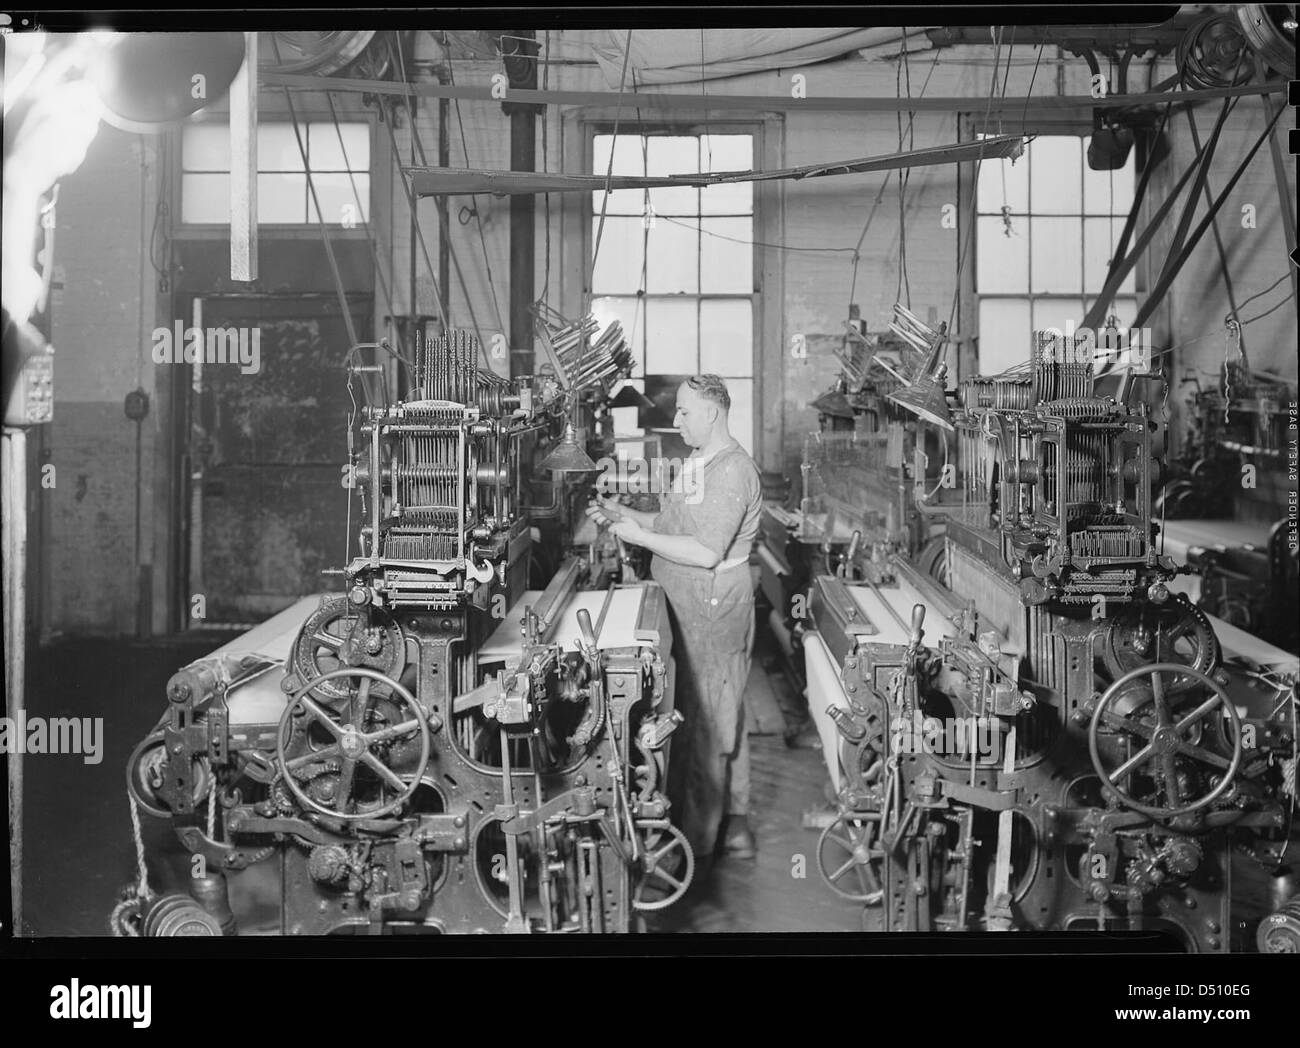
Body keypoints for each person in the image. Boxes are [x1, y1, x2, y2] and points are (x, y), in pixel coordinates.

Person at [586, 375, 763, 874]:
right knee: (716, 704)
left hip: (709, 602)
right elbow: (669, 520)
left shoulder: (731, 472)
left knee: (706, 715)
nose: (676, 420)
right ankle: (736, 822)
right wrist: (620, 512)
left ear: (712, 413)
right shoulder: (696, 463)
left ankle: (700, 846)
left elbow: (705, 551)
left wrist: (635, 539)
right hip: (685, 596)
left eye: (684, 412)